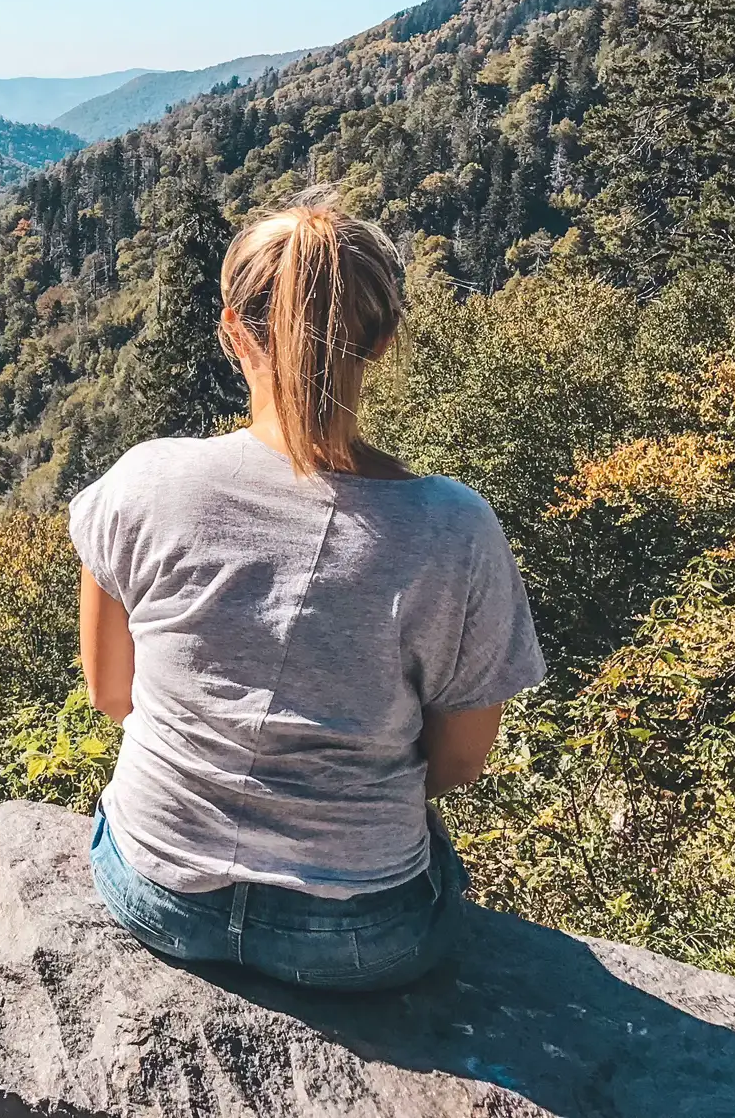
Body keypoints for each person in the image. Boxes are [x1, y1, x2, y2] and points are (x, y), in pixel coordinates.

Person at [70, 198, 543, 991]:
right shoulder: (453, 529)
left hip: (153, 887)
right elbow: (462, 760)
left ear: (232, 329)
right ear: (386, 340)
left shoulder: (145, 481)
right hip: (361, 934)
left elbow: (110, 694)